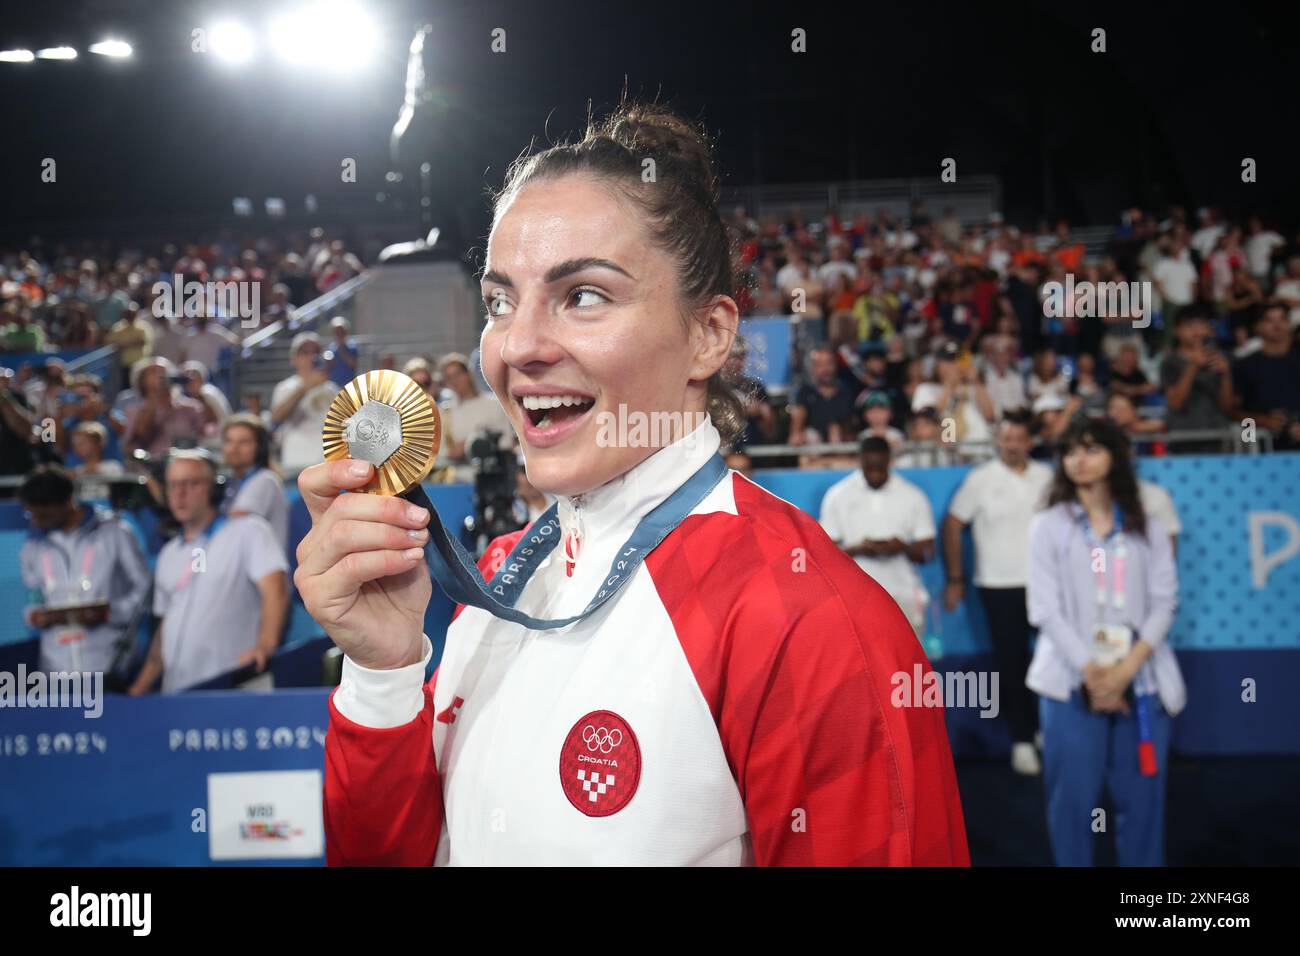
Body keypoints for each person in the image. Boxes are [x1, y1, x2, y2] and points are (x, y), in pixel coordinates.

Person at [296, 103, 968, 866]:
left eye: (583, 295)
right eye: (499, 302)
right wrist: (384, 669)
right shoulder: (499, 581)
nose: (517, 346)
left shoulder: (811, 620)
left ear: (709, 334)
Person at [1026, 419, 1184, 866]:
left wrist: (1123, 673)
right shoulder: (1047, 526)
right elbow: (1044, 610)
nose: (1080, 459)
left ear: (1114, 456)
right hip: (1070, 684)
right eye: (1071, 450)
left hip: (1143, 682)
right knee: (1072, 808)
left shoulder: (1146, 524)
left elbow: (1165, 602)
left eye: (1092, 449)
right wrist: (1096, 675)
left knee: (1143, 808)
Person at [942, 412, 1052, 775]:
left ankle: (1045, 731)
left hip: (1048, 584)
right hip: (998, 584)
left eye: (1019, 438)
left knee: (1054, 660)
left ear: (1029, 442)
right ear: (997, 442)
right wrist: (956, 577)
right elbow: (953, 524)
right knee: (1012, 663)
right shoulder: (980, 480)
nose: (1012, 445)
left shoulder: (1048, 478)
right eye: (1006, 439)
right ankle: (1022, 740)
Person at [129, 450, 289, 694]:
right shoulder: (168, 554)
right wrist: (137, 690)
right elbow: (165, 628)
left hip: (231, 687)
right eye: (173, 485)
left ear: (213, 488)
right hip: (177, 693)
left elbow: (275, 589)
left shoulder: (248, 531)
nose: (180, 494)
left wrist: (265, 646)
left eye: (191, 483)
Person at [19, 465, 150, 675]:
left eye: (43, 514)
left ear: (68, 502)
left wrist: (109, 613)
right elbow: (31, 596)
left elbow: (144, 591)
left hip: (108, 664)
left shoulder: (115, 533)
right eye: (31, 514)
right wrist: (34, 616)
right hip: (55, 667)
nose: (36, 521)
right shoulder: (33, 545)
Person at [820, 436, 936, 636]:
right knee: (862, 664)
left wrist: (901, 547)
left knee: (908, 663)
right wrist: (859, 548)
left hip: (904, 594)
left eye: (879, 467)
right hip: (854, 595)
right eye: (870, 467)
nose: (874, 473)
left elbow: (928, 553)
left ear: (889, 461)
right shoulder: (838, 495)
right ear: (860, 461)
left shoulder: (912, 495)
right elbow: (824, 554)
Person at [1159, 307, 1234, 451]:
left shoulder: (1220, 360)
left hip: (1218, 437)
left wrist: (1226, 375)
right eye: (1189, 325)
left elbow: (1228, 407)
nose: (1196, 330)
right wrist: (1193, 366)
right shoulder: (1170, 362)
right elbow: (1175, 404)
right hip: (1183, 439)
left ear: (1209, 329)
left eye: (1201, 324)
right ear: (1177, 330)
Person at [270, 332, 340, 476]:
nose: (311, 356)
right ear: (294, 358)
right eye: (305, 352)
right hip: (296, 463)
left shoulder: (331, 389)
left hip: (326, 463)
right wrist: (305, 387)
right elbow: (277, 417)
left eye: (316, 351)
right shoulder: (285, 387)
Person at [1232, 302, 1300, 450]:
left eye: (1282, 319)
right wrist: (1262, 421)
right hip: (1261, 451)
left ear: (1289, 324)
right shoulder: (1244, 365)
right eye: (1269, 320)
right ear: (1258, 327)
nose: (1277, 325)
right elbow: (1233, 412)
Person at [221, 413, 289, 554]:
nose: (234, 449)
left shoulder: (265, 480)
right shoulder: (233, 483)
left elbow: (234, 527)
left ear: (260, 448)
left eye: (243, 442)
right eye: (229, 441)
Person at [435, 351, 514, 463]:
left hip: (491, 472)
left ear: (468, 374)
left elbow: (506, 441)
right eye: (449, 377)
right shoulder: (444, 411)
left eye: (457, 374)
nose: (455, 381)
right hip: (456, 475)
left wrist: (474, 445)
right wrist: (451, 453)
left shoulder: (493, 403)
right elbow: (438, 450)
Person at [123, 357, 207, 458]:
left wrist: (197, 392)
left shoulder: (190, 407)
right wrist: (154, 397)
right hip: (151, 466)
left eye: (164, 372)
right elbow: (139, 438)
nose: (160, 375)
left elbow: (209, 429)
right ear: (143, 380)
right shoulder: (135, 411)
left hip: (184, 465)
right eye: (154, 372)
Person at [788, 346, 856, 445]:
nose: (825, 369)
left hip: (841, 448)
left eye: (829, 363)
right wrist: (799, 434)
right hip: (814, 450)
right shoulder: (805, 393)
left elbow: (853, 429)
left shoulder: (846, 394)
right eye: (819, 365)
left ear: (836, 365)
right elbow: (796, 428)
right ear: (812, 368)